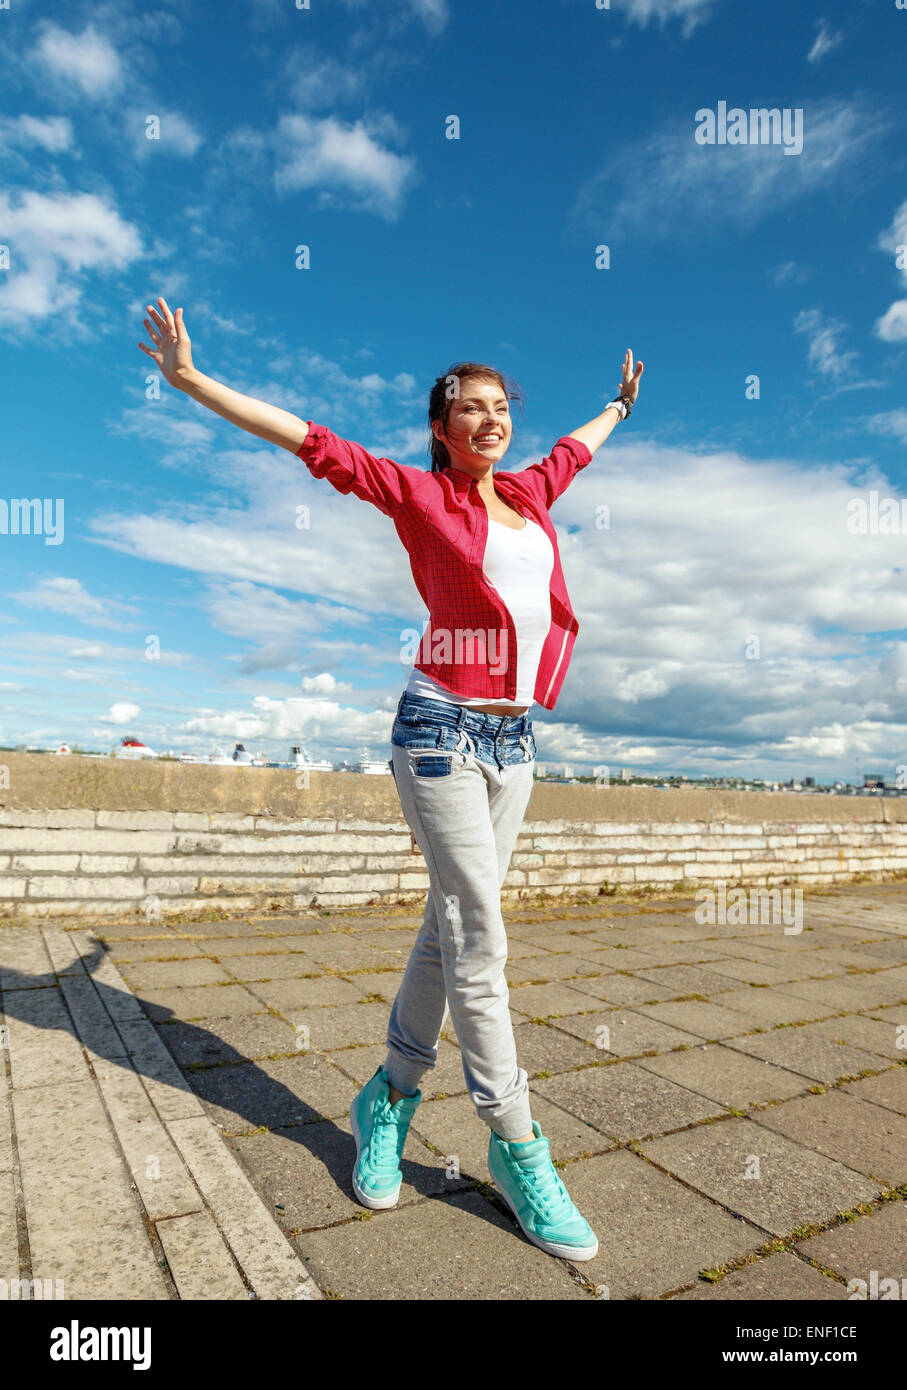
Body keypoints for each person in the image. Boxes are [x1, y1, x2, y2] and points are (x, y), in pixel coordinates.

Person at [138, 297, 643, 1262]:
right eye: (470, 408)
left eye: (501, 405)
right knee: (479, 935)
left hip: (514, 744)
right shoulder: (419, 495)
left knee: (445, 927)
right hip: (438, 732)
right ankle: (516, 1143)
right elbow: (310, 441)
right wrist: (193, 381)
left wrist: (618, 408)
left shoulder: (533, 494)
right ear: (439, 428)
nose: (491, 418)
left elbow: (578, 449)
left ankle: (388, 1099)